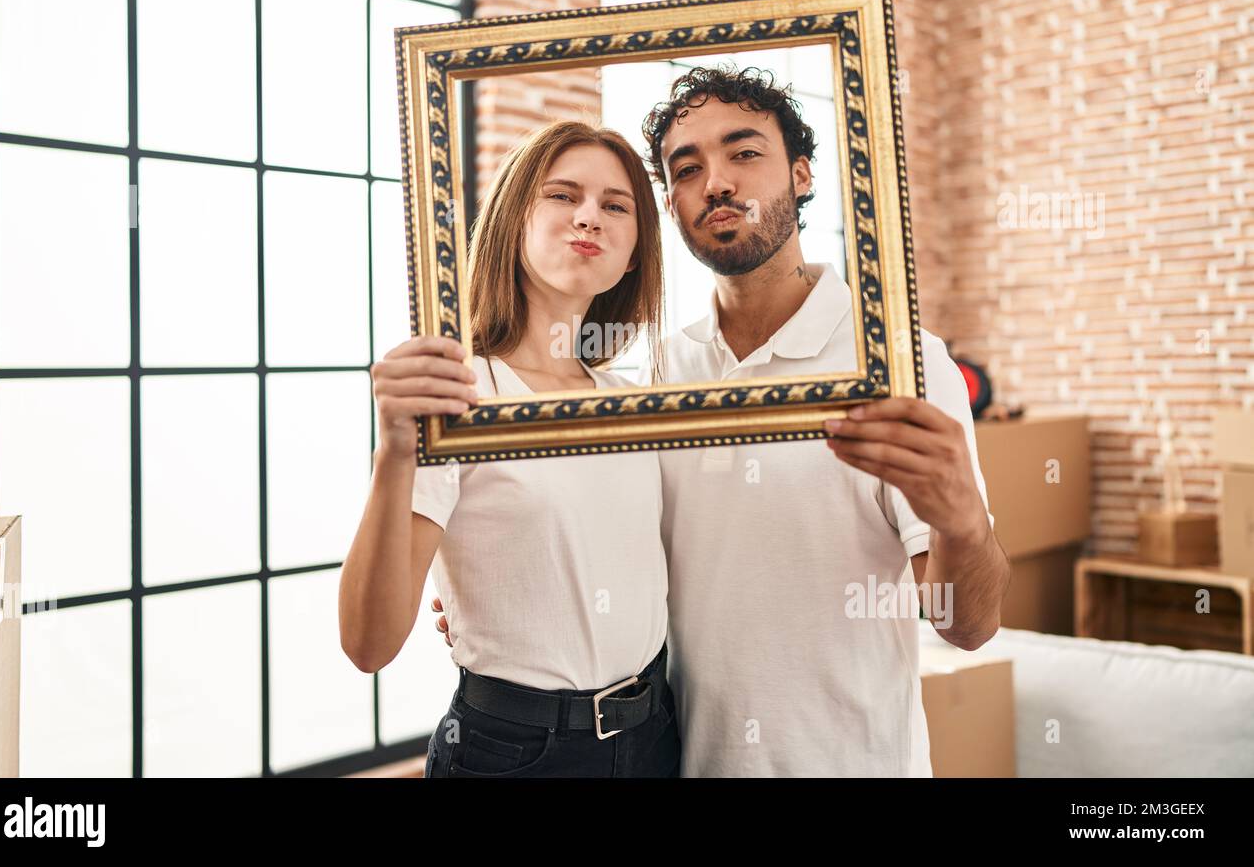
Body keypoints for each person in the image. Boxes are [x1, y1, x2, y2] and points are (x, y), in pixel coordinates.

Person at [435, 65, 1009, 777]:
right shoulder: (659, 378)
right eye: (687, 168)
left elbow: (970, 625)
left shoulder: (900, 364)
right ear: (669, 206)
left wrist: (962, 523)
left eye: (744, 153)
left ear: (801, 174)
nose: (717, 183)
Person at [339, 119, 679, 778]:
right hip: (518, 752)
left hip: (655, 733)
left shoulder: (633, 402)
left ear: (634, 253)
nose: (589, 216)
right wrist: (394, 457)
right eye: (562, 195)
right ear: (513, 219)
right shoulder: (458, 393)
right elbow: (368, 644)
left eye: (616, 206)